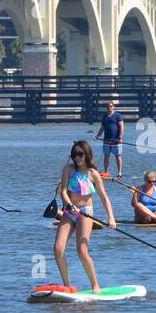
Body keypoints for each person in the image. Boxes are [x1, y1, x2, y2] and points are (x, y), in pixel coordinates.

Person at [54, 140, 117, 293]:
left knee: (81, 250)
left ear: (86, 155)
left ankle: (95, 285)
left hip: (85, 212)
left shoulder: (93, 173)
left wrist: (111, 217)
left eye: (80, 154)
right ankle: (67, 285)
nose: (77, 157)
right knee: (58, 248)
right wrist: (69, 205)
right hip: (70, 211)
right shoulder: (68, 169)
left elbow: (104, 197)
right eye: (74, 154)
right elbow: (63, 192)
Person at [95, 100, 124, 178]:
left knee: (118, 156)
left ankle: (119, 173)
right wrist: (97, 136)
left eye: (110, 106)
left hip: (116, 140)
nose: (109, 108)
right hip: (107, 140)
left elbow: (121, 126)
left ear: (113, 107)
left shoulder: (118, 115)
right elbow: (102, 128)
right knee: (106, 156)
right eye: (108, 107)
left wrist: (120, 136)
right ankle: (106, 172)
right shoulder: (104, 116)